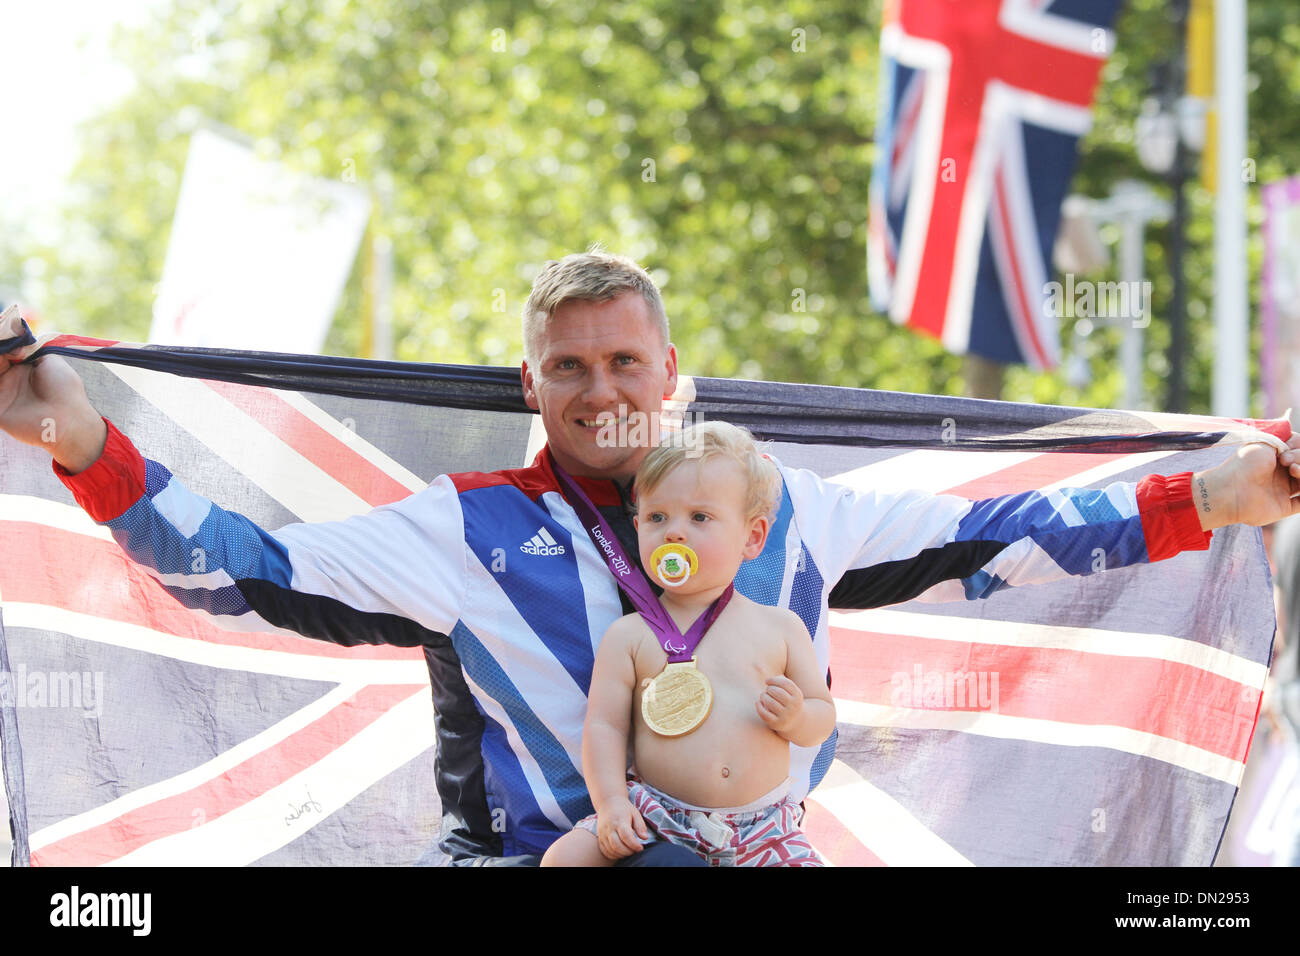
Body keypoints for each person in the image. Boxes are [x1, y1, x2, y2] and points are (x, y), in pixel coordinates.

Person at [3, 250, 1299, 866]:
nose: (601, 390)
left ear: (671, 372)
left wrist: (1218, 491)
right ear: (532, 382)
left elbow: (1016, 536)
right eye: (569, 367)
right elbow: (238, 565)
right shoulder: (469, 530)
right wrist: (79, 436)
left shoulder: (795, 512)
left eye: (626, 361)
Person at [541, 421, 834, 866]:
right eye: (658, 517)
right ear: (638, 527)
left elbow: (823, 716)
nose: (674, 532)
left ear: (752, 537)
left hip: (763, 828)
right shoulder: (630, 636)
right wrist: (611, 806)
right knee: (564, 859)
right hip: (656, 813)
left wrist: (797, 717)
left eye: (700, 517)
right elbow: (605, 728)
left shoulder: (781, 628)